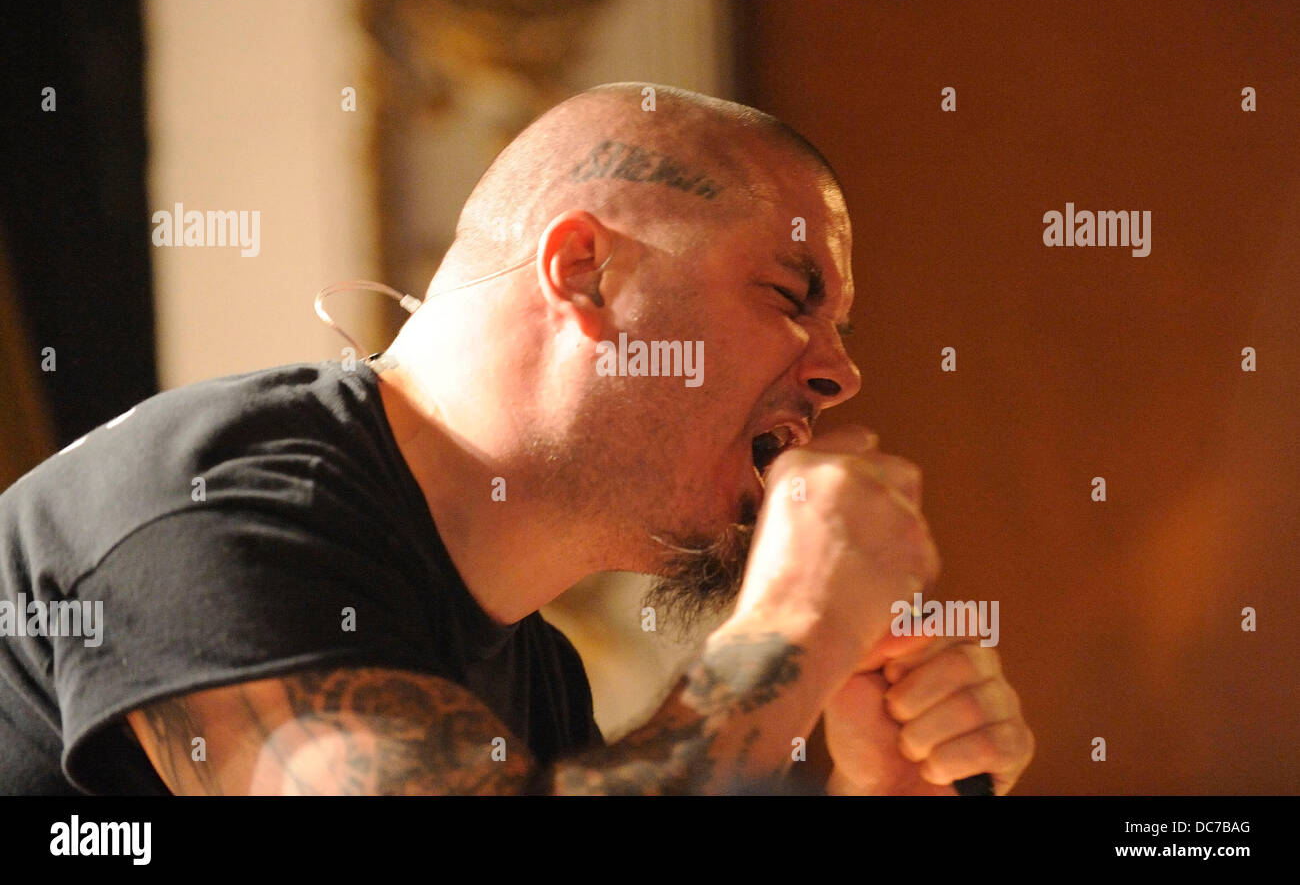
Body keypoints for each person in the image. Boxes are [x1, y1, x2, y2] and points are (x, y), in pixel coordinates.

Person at [0, 82, 1033, 795]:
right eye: (787, 294)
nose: (837, 371)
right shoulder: (215, 507)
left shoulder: (534, 678)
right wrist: (796, 624)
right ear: (584, 270)